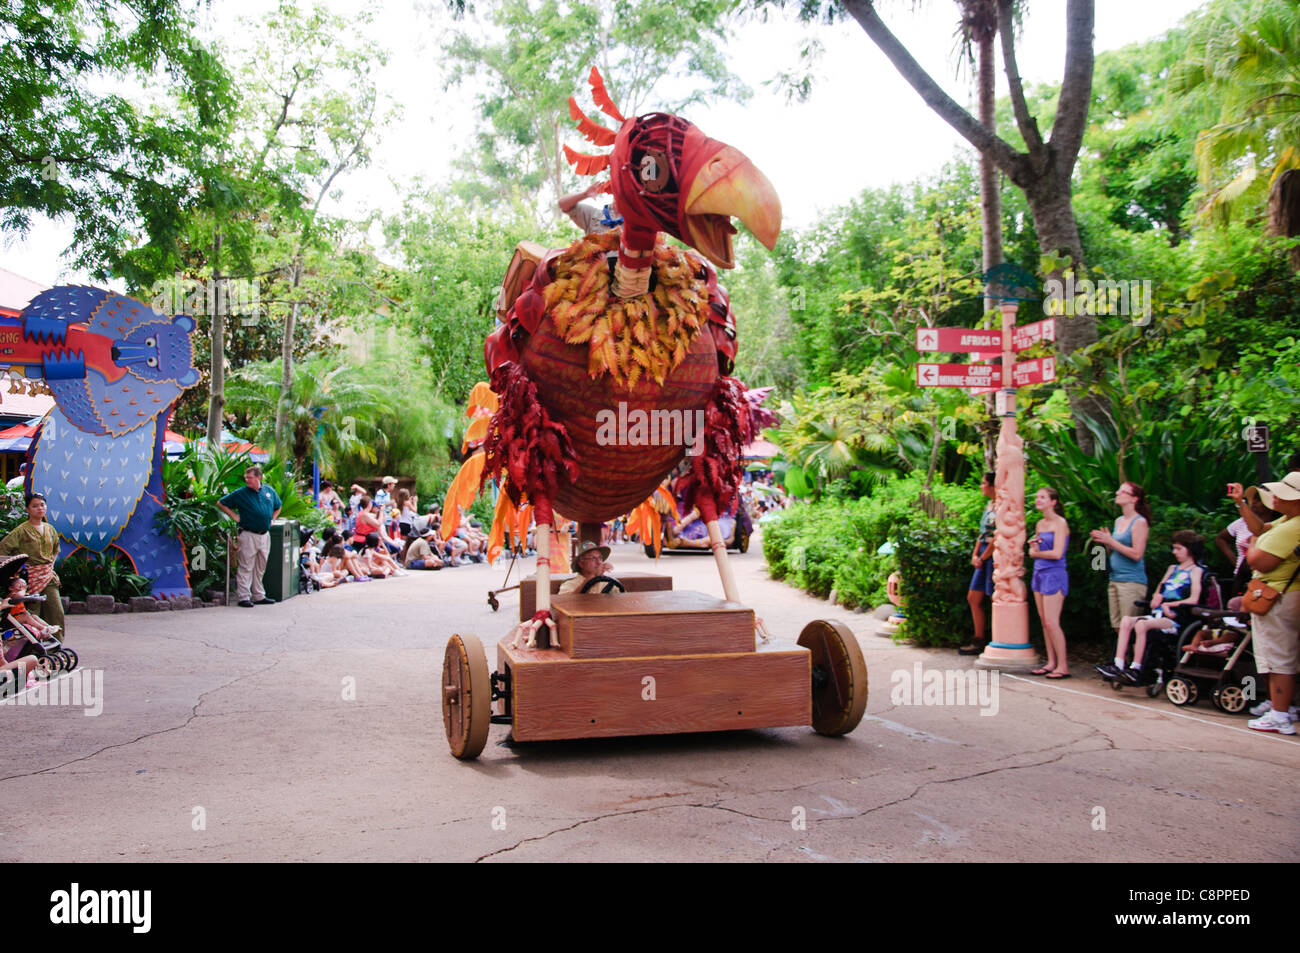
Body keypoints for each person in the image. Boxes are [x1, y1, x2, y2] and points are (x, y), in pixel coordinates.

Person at [1096, 531, 1205, 685]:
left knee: (1142, 624)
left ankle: (1136, 668)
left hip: (1176, 617)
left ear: (1190, 549)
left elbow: (1194, 598)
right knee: (1126, 621)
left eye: (1179, 549)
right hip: (1159, 614)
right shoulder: (1172, 568)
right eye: (1174, 548)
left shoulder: (1195, 571)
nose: (1174, 552)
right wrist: (1156, 597)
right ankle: (1118, 664)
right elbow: (1160, 588)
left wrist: (1169, 604)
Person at [1244, 471, 1300, 734]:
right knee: (1277, 654)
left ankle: (1280, 715)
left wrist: (1253, 544)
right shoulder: (1286, 521)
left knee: (1279, 657)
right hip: (1279, 594)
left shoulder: (1294, 525)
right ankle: (1281, 707)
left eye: (1283, 494)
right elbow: (1258, 529)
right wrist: (1240, 504)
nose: (1275, 497)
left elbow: (1259, 561)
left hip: (1278, 596)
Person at [1089, 482, 1152, 635]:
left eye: (1123, 491)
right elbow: (1116, 550)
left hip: (1131, 581)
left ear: (1134, 499)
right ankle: (1122, 657)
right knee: (1117, 626)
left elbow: (1137, 554)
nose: (1117, 493)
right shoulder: (1118, 521)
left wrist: (1111, 541)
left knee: (1129, 628)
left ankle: (1134, 658)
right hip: (1114, 579)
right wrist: (1106, 542)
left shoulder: (1140, 522)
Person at [216, 465, 282, 608]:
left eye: (250, 478)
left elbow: (278, 505)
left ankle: (259, 595)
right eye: (246, 478)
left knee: (260, 566)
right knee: (246, 565)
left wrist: (272, 519)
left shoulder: (269, 491)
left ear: (259, 477)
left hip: (264, 534)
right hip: (248, 534)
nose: (247, 480)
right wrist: (234, 516)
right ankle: (244, 596)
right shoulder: (241, 493)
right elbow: (221, 503)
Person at [0, 492, 66, 632]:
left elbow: (56, 549)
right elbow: (3, 548)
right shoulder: (21, 531)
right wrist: (16, 568)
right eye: (35, 506)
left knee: (56, 612)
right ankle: (34, 648)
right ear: (27, 509)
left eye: (42, 505)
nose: (40, 508)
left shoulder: (50, 529)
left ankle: (56, 647)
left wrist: (50, 566)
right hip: (30, 577)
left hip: (48, 576)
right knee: (32, 612)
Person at [1028, 487, 1070, 678]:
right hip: (1039, 572)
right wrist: (1034, 548)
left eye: (1043, 497)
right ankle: (1051, 662)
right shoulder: (1040, 523)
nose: (1038, 500)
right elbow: (1034, 551)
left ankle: (1063, 665)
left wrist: (1036, 553)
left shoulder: (1060, 523)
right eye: (1037, 497)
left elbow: (1057, 553)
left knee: (1053, 622)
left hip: (1054, 574)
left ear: (1053, 502)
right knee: (1045, 622)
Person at [960, 472, 997, 656]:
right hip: (982, 552)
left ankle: (996, 638)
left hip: (992, 555)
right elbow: (982, 533)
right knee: (973, 597)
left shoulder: (1000, 507)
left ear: (993, 485)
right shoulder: (989, 505)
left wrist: (983, 558)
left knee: (993, 597)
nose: (981, 486)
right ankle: (979, 638)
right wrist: (976, 554)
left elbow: (996, 537)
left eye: (983, 483)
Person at [1220, 485, 1276, 596]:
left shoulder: (1278, 524)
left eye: (1259, 500)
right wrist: (1235, 560)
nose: (1254, 502)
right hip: (1242, 575)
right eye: (1253, 499)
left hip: (1267, 578)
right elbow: (1221, 538)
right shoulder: (1241, 522)